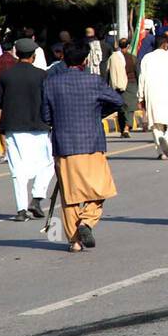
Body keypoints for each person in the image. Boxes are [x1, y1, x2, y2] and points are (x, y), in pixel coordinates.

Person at [41, 41, 122, 252]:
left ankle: (74, 241)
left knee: (70, 195)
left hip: (65, 146)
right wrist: (97, 113)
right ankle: (87, 221)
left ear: (63, 59)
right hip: (92, 143)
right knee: (100, 190)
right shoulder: (94, 81)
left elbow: (46, 116)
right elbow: (117, 101)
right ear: (85, 60)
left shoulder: (51, 83)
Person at [0, 37, 55, 222]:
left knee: (17, 169)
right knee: (47, 163)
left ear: (16, 54)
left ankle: (21, 209)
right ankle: (36, 197)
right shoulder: (42, 75)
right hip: (39, 126)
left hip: (13, 127)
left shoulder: (6, 75)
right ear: (34, 56)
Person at [137, 32, 168, 158]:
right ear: (165, 43)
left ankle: (161, 153)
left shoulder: (146, 58)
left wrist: (141, 97)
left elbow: (142, 78)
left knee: (156, 125)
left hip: (152, 94)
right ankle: (167, 139)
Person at [106, 37, 137, 136]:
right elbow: (137, 72)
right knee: (130, 108)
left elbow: (108, 72)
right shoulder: (132, 58)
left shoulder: (113, 57)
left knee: (121, 107)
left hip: (118, 85)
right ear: (128, 46)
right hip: (131, 84)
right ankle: (127, 128)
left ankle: (123, 127)